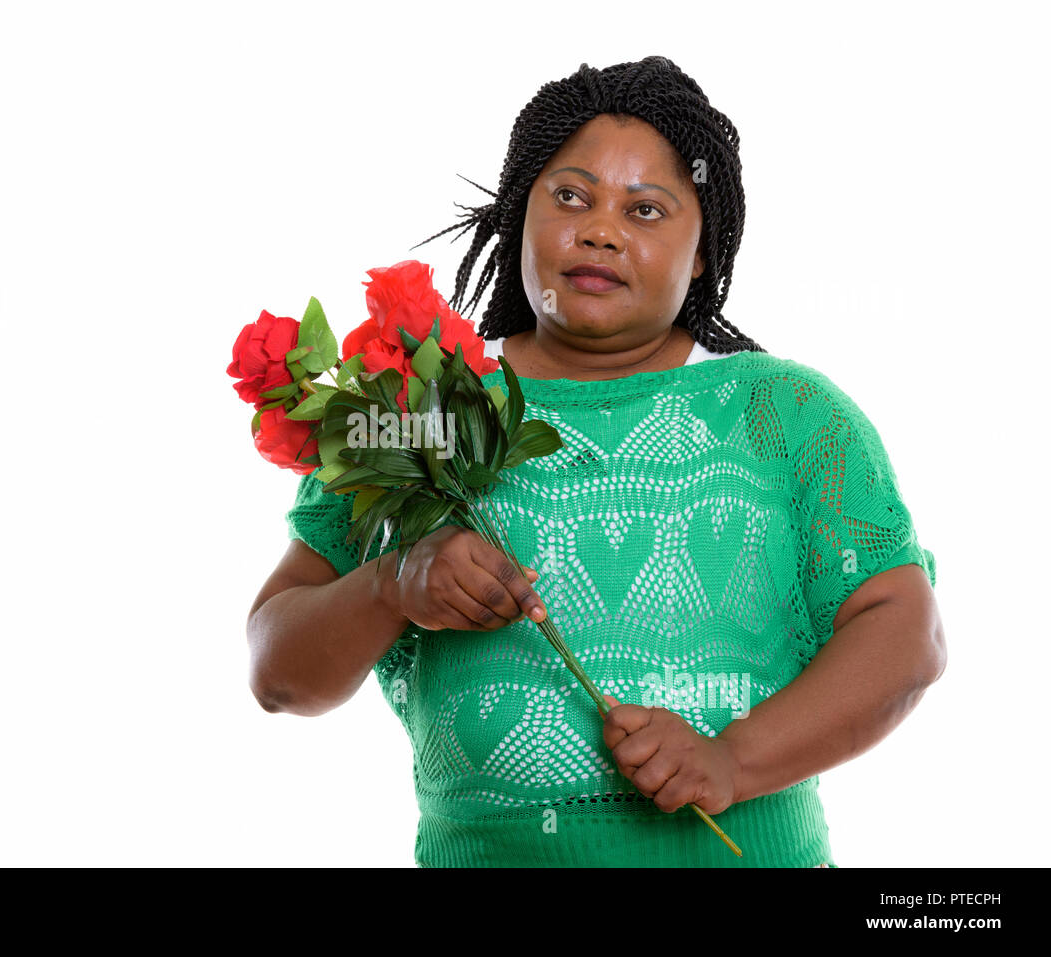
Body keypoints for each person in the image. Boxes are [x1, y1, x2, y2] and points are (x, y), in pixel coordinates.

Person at [246, 57, 945, 867]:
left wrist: (731, 759)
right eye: (571, 196)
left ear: (704, 252)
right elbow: (277, 671)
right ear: (519, 214)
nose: (602, 228)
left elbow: (906, 631)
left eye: (647, 209)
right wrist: (392, 582)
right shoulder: (413, 409)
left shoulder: (786, 414)